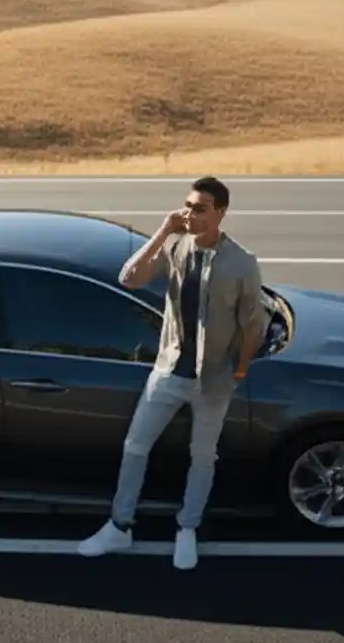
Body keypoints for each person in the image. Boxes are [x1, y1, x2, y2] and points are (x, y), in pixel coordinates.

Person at [77, 176, 269, 569]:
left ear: (220, 213)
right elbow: (128, 278)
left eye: (200, 208)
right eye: (187, 205)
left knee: (202, 457)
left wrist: (240, 370)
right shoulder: (176, 246)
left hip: (214, 379)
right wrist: (164, 230)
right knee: (135, 447)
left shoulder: (241, 262)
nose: (190, 214)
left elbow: (254, 323)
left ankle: (187, 529)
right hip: (167, 371)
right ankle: (119, 526)